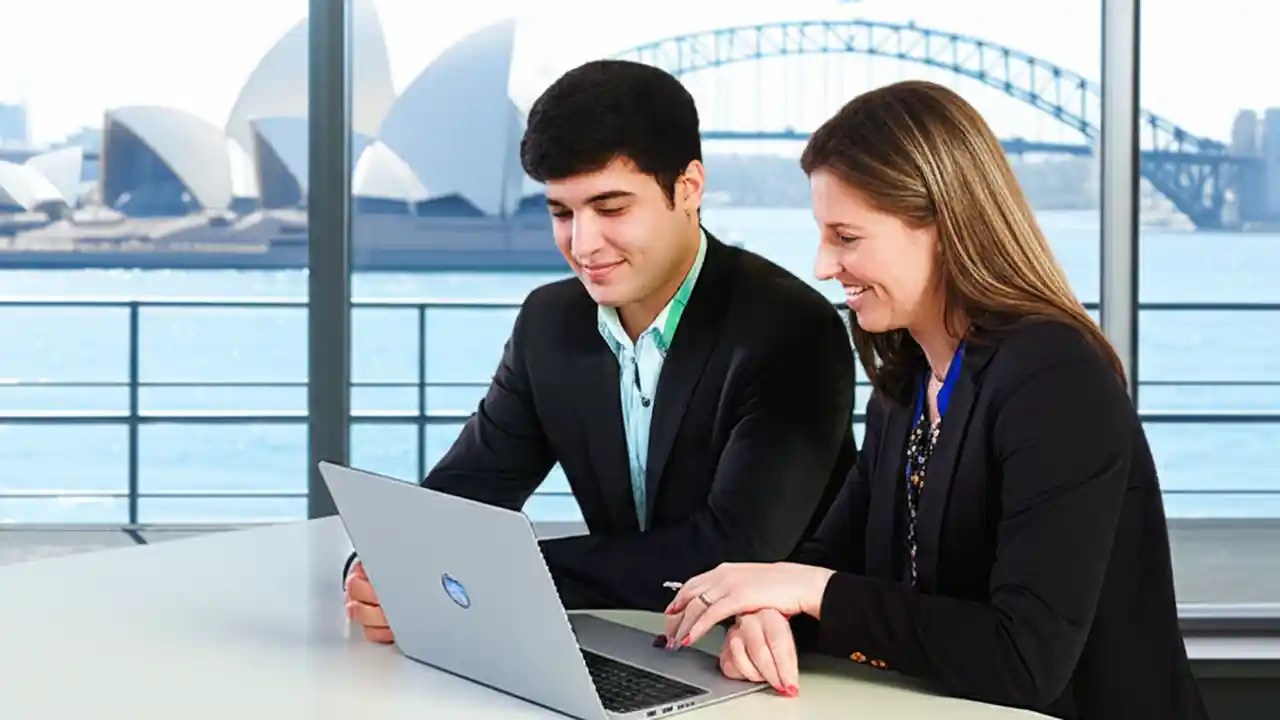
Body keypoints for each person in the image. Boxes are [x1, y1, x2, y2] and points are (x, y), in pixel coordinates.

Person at [661, 80, 1208, 719]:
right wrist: (766, 612)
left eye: (846, 236)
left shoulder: (1058, 380)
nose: (822, 265)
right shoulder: (904, 390)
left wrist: (807, 590)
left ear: (942, 228)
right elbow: (829, 568)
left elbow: (1024, 661)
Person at [343, 59, 857, 644]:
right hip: (635, 640)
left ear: (688, 188)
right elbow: (462, 498)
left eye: (611, 209)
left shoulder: (791, 328)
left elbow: (732, 551)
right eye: (561, 213)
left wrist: (492, 577)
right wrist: (382, 569)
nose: (583, 244)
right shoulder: (549, 323)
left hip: (788, 659)